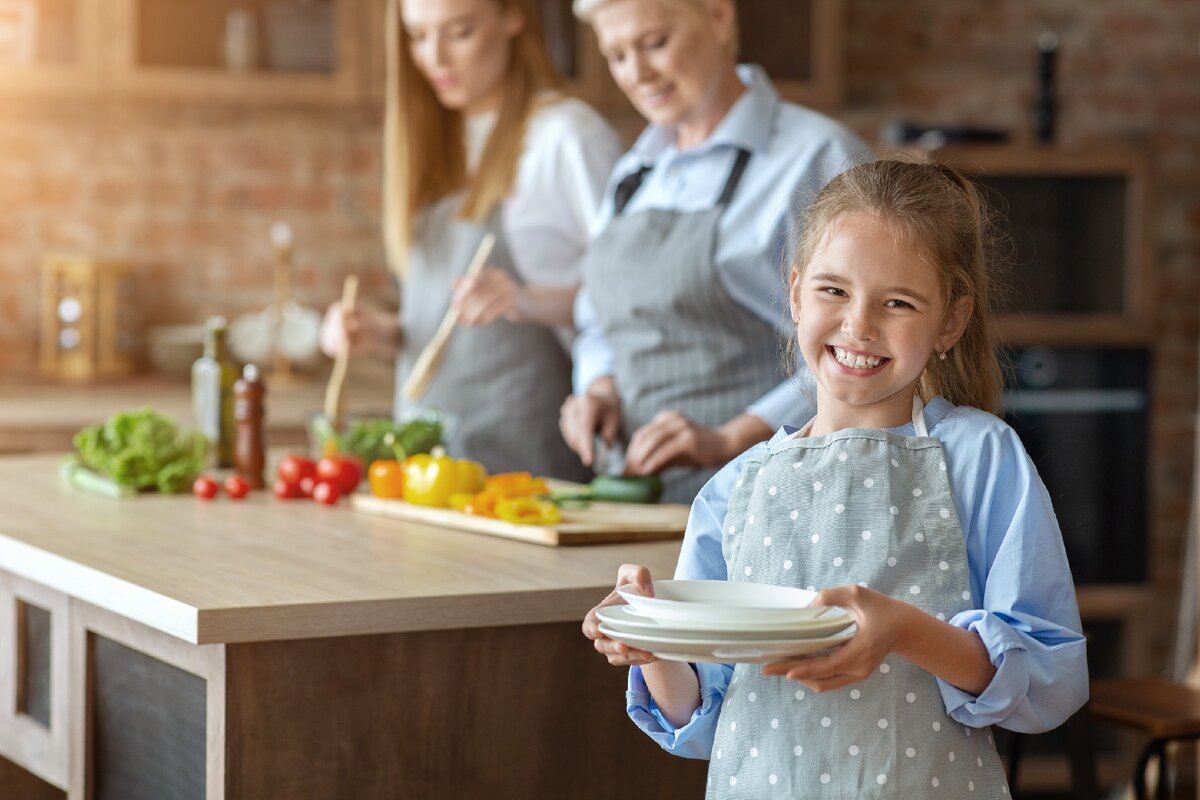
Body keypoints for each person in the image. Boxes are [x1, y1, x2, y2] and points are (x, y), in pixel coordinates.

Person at [582, 159, 1089, 797]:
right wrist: (650, 638)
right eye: (833, 290)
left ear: (950, 323)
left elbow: (1050, 680)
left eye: (898, 302)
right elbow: (701, 717)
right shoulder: (734, 487)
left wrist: (904, 630)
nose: (859, 325)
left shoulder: (980, 455)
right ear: (795, 294)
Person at [558, 0, 870, 503]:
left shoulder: (818, 157)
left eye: (655, 43)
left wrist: (733, 438)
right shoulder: (634, 175)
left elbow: (858, 348)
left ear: (719, 17)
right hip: (640, 507)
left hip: (774, 497)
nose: (637, 73)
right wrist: (598, 385)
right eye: (616, 56)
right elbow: (596, 320)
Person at [319, 0, 621, 479]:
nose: (435, 58)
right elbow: (448, 322)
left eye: (458, 32)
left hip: (528, 474)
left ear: (512, 17)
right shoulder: (432, 139)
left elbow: (627, 305)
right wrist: (382, 331)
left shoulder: (565, 137)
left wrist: (524, 299)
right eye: (417, 37)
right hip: (425, 474)